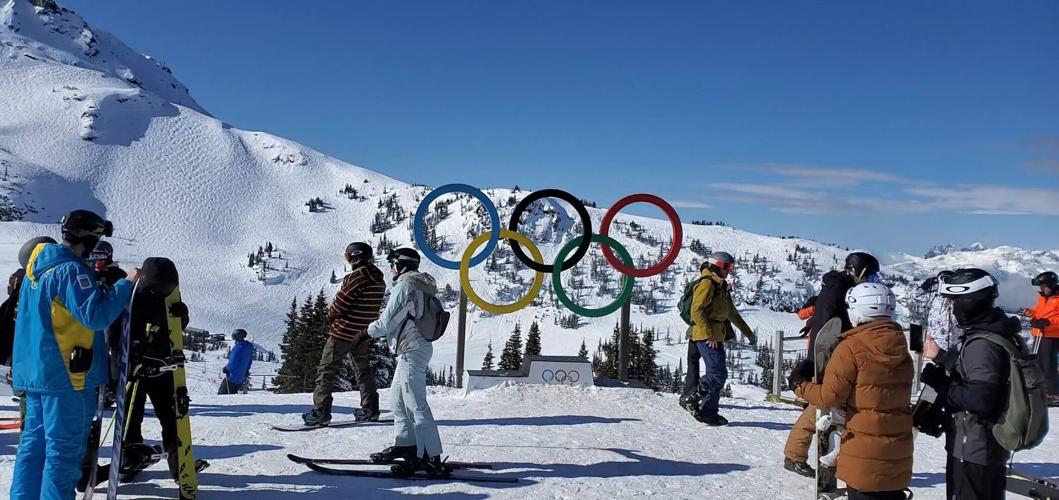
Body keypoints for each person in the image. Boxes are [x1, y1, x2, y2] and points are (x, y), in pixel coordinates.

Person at [10, 210, 135, 500]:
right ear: (90, 238)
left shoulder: (36, 268)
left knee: (33, 446)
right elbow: (96, 316)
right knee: (63, 452)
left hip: (35, 373)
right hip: (67, 376)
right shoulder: (71, 271)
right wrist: (124, 284)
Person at [789, 283, 914, 500]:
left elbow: (828, 397)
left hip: (863, 451)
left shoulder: (851, 347)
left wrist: (799, 385)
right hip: (898, 450)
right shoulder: (901, 346)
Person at [921, 268, 1017, 500]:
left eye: (955, 301)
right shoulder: (995, 331)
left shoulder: (982, 344)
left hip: (974, 447)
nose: (952, 308)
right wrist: (942, 358)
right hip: (986, 447)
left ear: (969, 302)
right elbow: (977, 373)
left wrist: (943, 386)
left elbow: (980, 399)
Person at [784, 251, 879, 477]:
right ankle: (796, 456)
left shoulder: (841, 286)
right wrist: (829, 358)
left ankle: (796, 455)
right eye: (872, 277)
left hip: (830, 354)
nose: (872, 282)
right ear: (859, 271)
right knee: (821, 406)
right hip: (827, 356)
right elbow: (829, 326)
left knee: (821, 407)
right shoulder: (838, 288)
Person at [366, 248, 449, 476]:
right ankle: (406, 445)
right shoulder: (418, 285)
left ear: (400, 264)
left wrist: (365, 332)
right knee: (398, 402)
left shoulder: (406, 286)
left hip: (412, 350)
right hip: (410, 350)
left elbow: (386, 323)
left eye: (392, 263)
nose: (390, 267)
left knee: (415, 404)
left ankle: (431, 457)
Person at [303, 242, 387, 425]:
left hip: (344, 331)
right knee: (363, 371)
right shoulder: (379, 279)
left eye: (348, 257)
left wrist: (329, 313)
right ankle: (370, 409)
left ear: (355, 257)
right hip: (364, 332)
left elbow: (340, 305)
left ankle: (321, 411)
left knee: (327, 369)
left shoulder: (356, 277)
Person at [680, 257, 756, 419]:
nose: (730, 270)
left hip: (705, 333)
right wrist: (709, 334)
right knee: (718, 374)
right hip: (706, 335)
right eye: (728, 266)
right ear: (718, 265)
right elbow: (696, 310)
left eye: (731, 266)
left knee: (709, 370)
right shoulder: (708, 283)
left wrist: (748, 333)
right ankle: (692, 396)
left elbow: (732, 314)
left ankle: (709, 411)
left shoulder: (720, 285)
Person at [1028, 271, 1058, 404]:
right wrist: (1030, 312)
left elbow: (1053, 319)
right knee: (1037, 363)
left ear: (1050, 285)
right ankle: (1043, 390)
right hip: (1040, 334)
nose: (1041, 289)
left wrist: (1048, 323)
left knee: (1048, 364)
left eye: (1043, 286)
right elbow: (1040, 312)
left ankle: (1053, 394)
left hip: (1051, 336)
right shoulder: (1043, 298)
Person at [218, 329, 254, 394]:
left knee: (222, 394)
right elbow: (249, 361)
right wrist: (246, 371)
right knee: (232, 393)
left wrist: (227, 368)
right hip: (241, 377)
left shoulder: (238, 347)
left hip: (232, 377)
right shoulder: (248, 347)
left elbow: (233, 361)